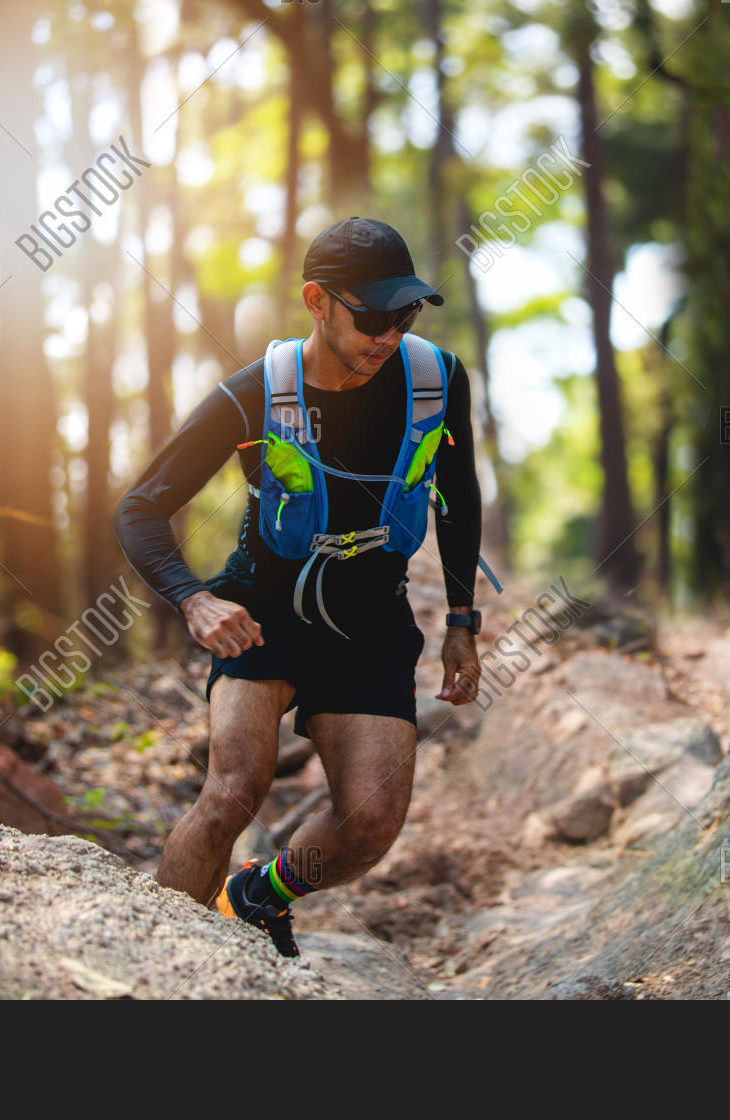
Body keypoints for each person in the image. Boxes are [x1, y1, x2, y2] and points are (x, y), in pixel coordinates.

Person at [114, 217, 486, 958]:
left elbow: (460, 498)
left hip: (371, 621)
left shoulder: (437, 380)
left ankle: (257, 894)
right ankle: (156, 966)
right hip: (263, 614)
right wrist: (195, 597)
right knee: (232, 792)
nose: (389, 334)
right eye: (372, 315)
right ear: (317, 301)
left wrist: (463, 621)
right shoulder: (253, 393)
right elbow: (140, 507)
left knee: (372, 820)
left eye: (404, 313)